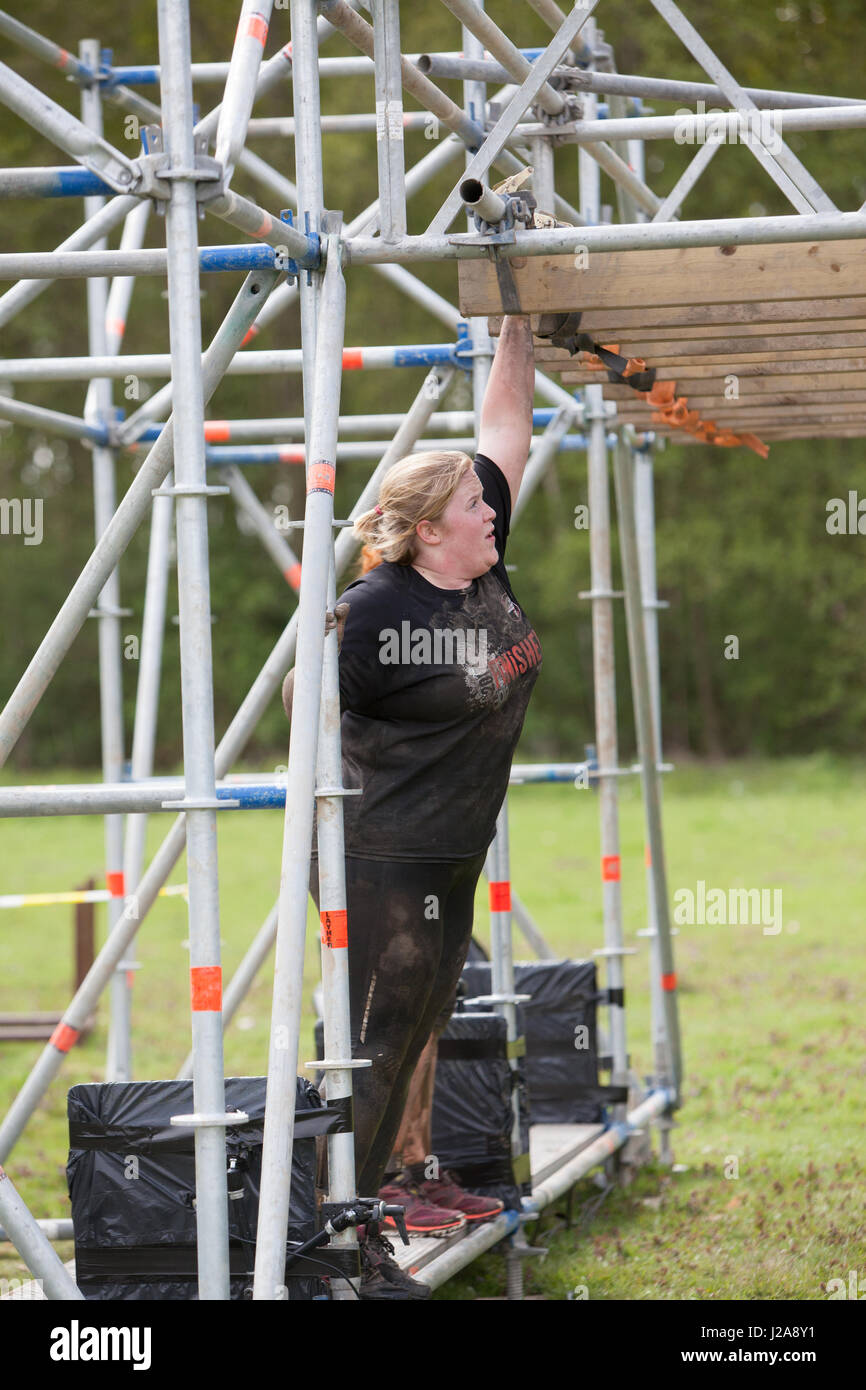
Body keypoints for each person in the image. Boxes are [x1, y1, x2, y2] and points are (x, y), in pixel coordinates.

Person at [283, 316, 541, 1298]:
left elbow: (505, 423)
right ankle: (331, 1249)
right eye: (475, 505)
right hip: (376, 855)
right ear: (428, 527)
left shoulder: (478, 568)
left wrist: (517, 312)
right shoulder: (377, 608)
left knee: (419, 1024)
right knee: (371, 1047)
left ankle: (361, 1217)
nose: (493, 510)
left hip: (443, 855)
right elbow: (300, 703)